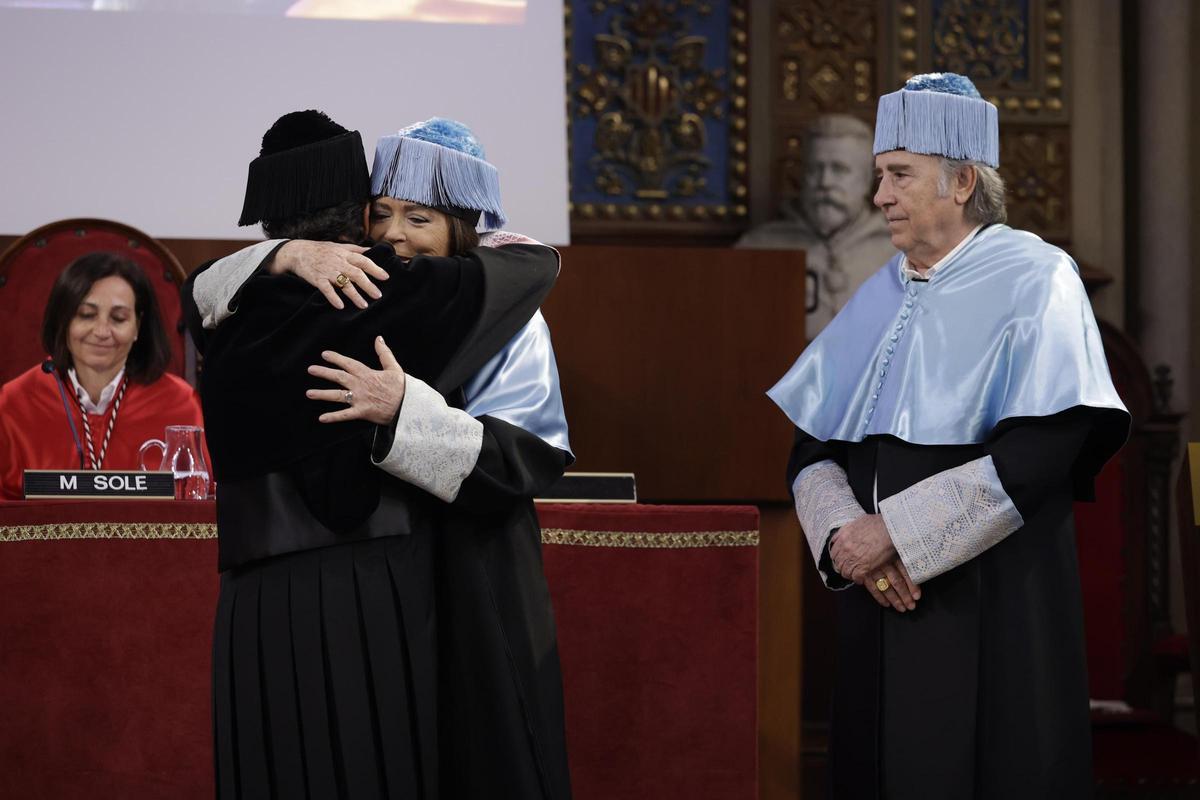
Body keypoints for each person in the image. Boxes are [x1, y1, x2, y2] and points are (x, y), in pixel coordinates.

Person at [186, 112, 572, 799]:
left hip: (478, 572)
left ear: (460, 224)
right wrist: (284, 255)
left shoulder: (509, 320)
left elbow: (527, 459)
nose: (393, 233)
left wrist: (405, 414)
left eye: (418, 217)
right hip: (402, 575)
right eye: (382, 212)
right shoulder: (359, 293)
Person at [767, 73, 1129, 799]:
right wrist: (848, 537)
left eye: (898, 175)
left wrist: (896, 533)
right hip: (878, 599)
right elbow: (812, 448)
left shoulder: (1037, 278)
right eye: (879, 177)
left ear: (962, 181)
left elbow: (1042, 454)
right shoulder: (883, 289)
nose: (880, 198)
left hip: (984, 603)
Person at [0, 252, 203, 499]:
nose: (102, 331)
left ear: (137, 326)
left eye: (118, 318)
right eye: (86, 315)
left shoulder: (179, 404)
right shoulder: (13, 404)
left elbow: (197, 507)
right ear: (63, 320)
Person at [736, 114, 895, 334]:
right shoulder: (758, 248)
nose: (825, 182)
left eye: (839, 170)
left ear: (868, 179)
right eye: (814, 169)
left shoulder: (901, 252)